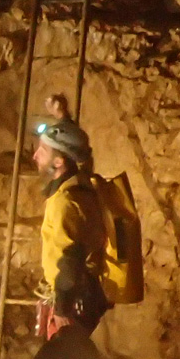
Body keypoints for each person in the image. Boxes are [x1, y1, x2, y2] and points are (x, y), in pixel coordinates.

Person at [33, 111, 112, 339]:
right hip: (83, 293)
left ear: (59, 162)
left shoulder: (66, 202)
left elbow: (71, 258)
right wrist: (63, 117)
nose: (36, 156)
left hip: (72, 301)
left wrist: (61, 310)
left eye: (43, 151)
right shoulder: (81, 186)